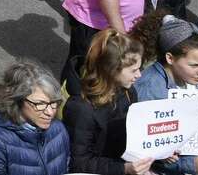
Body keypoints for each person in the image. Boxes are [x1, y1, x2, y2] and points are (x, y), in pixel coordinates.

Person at [130, 12, 198, 175]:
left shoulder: (191, 80)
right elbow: (140, 149)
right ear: (170, 58)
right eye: (195, 65)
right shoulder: (150, 89)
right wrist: (191, 165)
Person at [63, 30, 151, 175]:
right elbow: (79, 163)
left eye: (139, 69)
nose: (139, 75)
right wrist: (124, 169)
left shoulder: (128, 91)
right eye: (133, 70)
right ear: (112, 70)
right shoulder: (80, 109)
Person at [0, 61, 71, 175]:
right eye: (40, 104)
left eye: (53, 103)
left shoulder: (58, 129)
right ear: (17, 100)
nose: (50, 112)